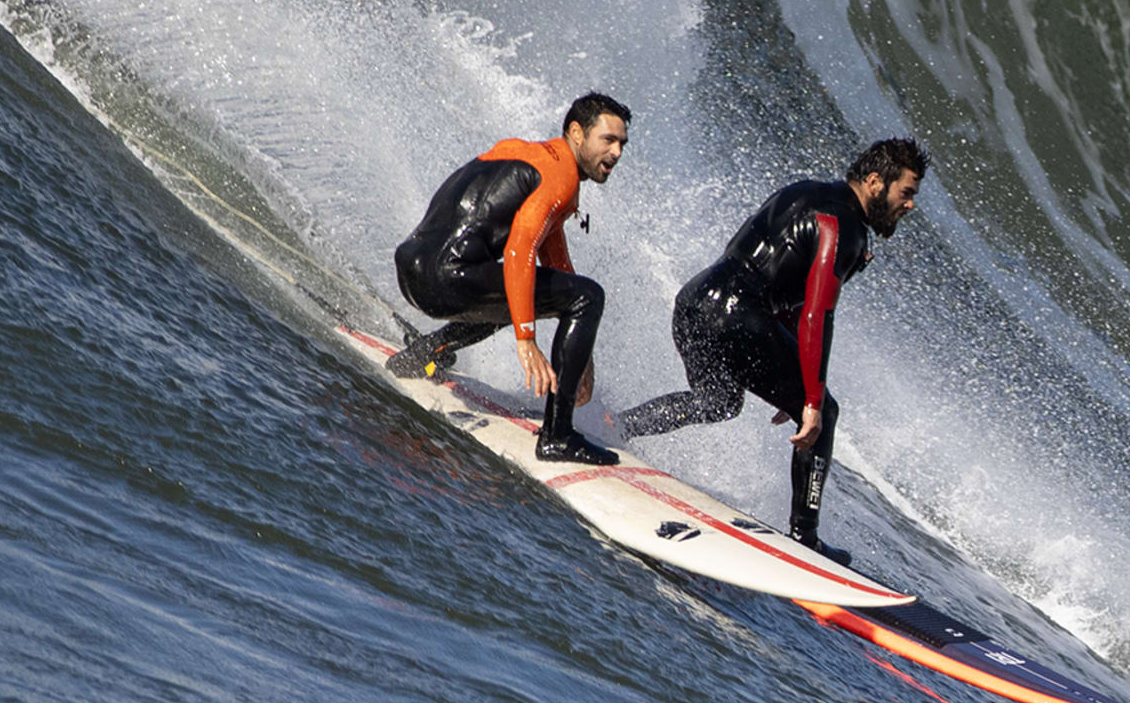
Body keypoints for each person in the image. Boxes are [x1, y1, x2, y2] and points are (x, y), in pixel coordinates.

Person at [615, 138, 927, 561]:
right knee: (826, 413)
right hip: (736, 318)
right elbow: (816, 315)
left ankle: (616, 426)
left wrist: (788, 373)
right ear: (875, 182)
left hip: (694, 301)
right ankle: (805, 538)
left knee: (719, 401)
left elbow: (767, 276)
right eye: (905, 192)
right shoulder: (845, 228)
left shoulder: (804, 190)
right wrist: (810, 400)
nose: (909, 205)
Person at [389, 92, 633, 466]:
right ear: (576, 133)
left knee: (531, 292)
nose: (616, 153)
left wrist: (584, 360)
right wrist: (526, 339)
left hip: (412, 268)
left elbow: (554, 260)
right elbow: (520, 252)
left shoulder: (523, 153)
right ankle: (557, 435)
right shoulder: (560, 178)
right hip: (447, 280)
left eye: (622, 144)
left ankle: (424, 354)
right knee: (589, 296)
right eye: (608, 140)